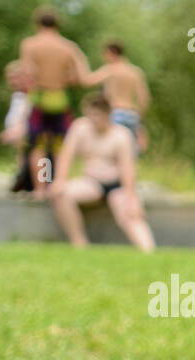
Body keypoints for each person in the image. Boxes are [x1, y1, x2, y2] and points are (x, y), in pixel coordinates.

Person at [49, 93, 154, 252]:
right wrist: (59, 180)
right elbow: (66, 156)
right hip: (92, 183)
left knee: (130, 213)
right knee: (61, 193)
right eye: (90, 114)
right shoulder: (80, 128)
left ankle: (149, 251)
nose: (94, 119)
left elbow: (128, 169)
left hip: (117, 186)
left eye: (98, 115)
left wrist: (131, 196)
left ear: (108, 115)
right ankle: (80, 245)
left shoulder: (121, 135)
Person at [18, 6, 89, 197]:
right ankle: (57, 186)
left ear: (37, 23)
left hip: (40, 98)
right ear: (57, 24)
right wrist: (63, 77)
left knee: (39, 147)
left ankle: (41, 190)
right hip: (60, 99)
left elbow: (27, 74)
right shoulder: (69, 46)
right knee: (60, 147)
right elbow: (81, 77)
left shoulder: (30, 44)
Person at [82, 40, 149, 152]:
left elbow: (88, 81)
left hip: (115, 113)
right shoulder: (136, 72)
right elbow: (144, 98)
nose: (104, 57)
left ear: (112, 52)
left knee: (111, 153)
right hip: (132, 115)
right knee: (128, 153)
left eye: (105, 54)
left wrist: (80, 61)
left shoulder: (110, 69)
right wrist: (140, 120)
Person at [1, 62, 34, 193]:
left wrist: (17, 130)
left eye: (15, 78)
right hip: (20, 142)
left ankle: (42, 184)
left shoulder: (35, 95)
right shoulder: (18, 95)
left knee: (41, 161)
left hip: (34, 139)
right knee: (23, 159)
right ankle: (24, 179)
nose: (12, 82)